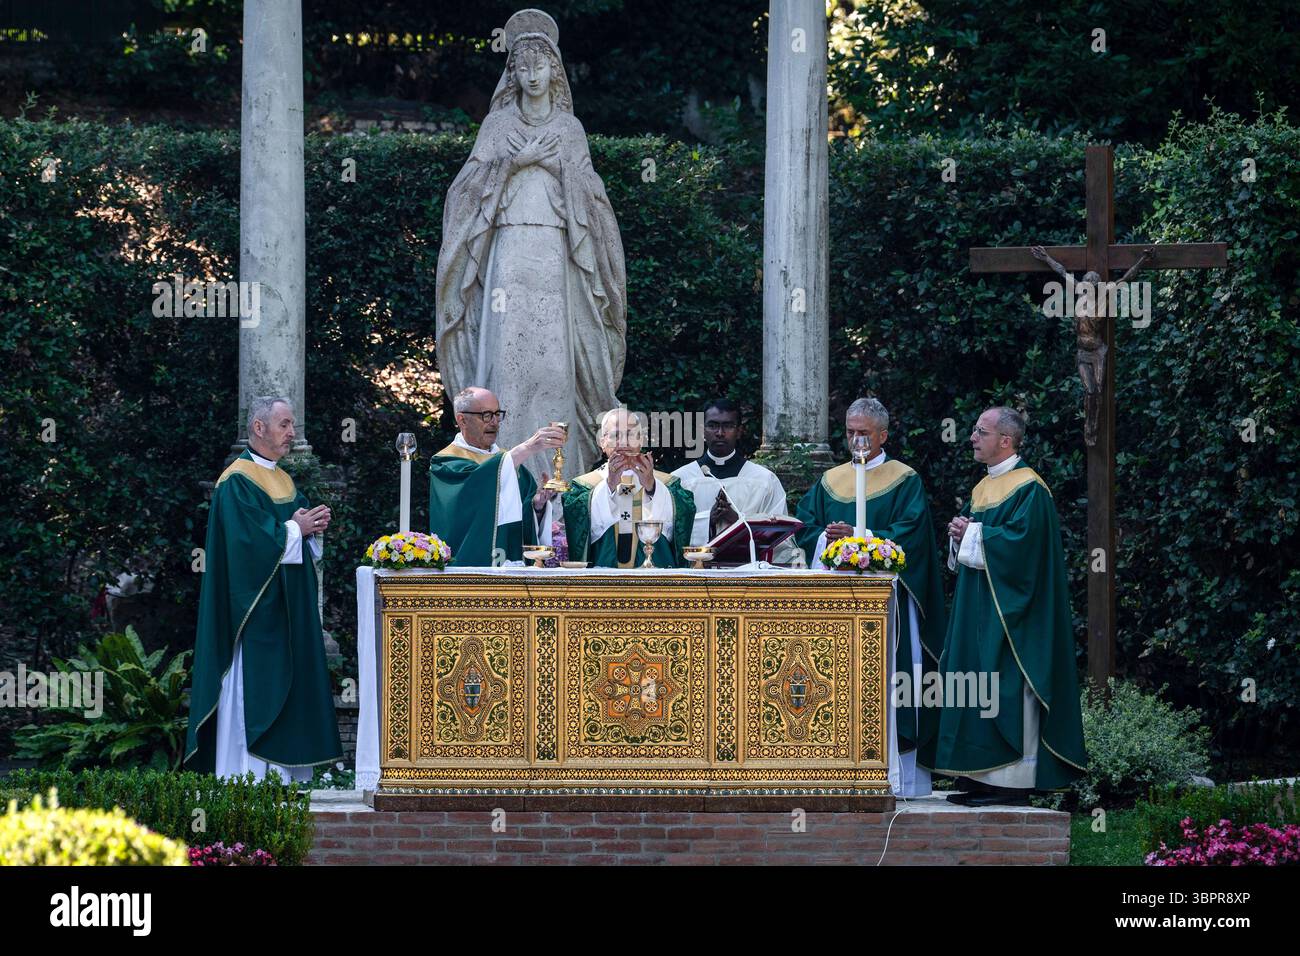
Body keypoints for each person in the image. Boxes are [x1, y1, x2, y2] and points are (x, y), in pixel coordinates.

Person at [435, 9, 625, 475]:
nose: (532, 75)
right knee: (506, 364)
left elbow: (591, 196)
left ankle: (561, 477)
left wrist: (555, 165)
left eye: (541, 66)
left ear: (554, 71)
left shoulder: (568, 129)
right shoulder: (496, 128)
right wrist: (516, 163)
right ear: (513, 73)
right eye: (523, 67)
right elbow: (464, 194)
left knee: (554, 364)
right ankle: (504, 478)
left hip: (556, 252)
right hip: (507, 252)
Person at [933, 406, 1088, 806]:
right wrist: (959, 536)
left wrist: (975, 534)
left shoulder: (1030, 489)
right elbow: (980, 543)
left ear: (1006, 440)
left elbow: (1024, 551)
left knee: (1004, 685)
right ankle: (981, 775)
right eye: (973, 429)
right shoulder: (983, 489)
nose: (971, 437)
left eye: (981, 431)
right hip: (979, 608)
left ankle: (1011, 781)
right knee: (972, 679)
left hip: (1013, 615)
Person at [185, 396, 342, 782]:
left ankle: (285, 777)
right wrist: (295, 530)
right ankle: (245, 778)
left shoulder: (283, 479)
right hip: (254, 618)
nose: (292, 434)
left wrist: (312, 527)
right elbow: (245, 547)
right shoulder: (236, 481)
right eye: (285, 425)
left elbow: (291, 532)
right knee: (252, 697)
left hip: (285, 612)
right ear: (259, 428)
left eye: (292, 426)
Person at [795, 398, 946, 796]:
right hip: (834, 603)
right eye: (850, 432)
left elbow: (910, 532)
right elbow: (804, 525)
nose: (856, 440)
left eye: (864, 433)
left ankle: (901, 778)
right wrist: (826, 541)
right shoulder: (830, 480)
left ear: (883, 434)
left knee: (891, 681)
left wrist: (861, 541)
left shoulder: (904, 478)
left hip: (890, 604)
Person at [427, 386, 565, 566]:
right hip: (470, 567)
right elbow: (478, 484)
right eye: (486, 415)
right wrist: (527, 447)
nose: (494, 422)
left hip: (512, 564)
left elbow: (521, 516)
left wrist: (537, 506)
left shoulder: (510, 464)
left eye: (497, 414)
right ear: (462, 420)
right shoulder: (446, 463)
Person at [561, 408, 694, 567]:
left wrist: (652, 487)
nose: (624, 442)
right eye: (616, 435)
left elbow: (681, 520)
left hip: (655, 579)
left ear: (641, 440)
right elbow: (580, 526)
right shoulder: (584, 487)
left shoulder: (668, 485)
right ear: (602, 442)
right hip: (602, 579)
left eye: (631, 435)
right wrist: (609, 485)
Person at [670, 398, 791, 551]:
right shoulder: (681, 480)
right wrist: (708, 520)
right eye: (713, 425)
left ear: (739, 431)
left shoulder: (764, 480)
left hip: (749, 570)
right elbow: (668, 532)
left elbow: (781, 538)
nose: (720, 433)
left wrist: (736, 520)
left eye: (728, 426)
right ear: (702, 430)